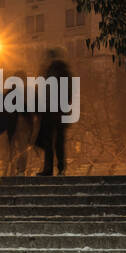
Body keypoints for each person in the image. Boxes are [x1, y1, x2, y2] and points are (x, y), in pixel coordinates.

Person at [34, 48, 72, 176]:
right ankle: (58, 168)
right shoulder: (61, 72)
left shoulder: (54, 73)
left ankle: (52, 168)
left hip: (52, 111)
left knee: (51, 141)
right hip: (56, 111)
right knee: (55, 141)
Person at [0, 72, 34, 175]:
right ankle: (20, 170)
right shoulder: (27, 93)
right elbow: (30, 111)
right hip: (23, 124)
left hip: (11, 125)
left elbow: (1, 111)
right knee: (22, 148)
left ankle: (9, 170)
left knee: (11, 149)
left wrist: (1, 126)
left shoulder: (9, 94)